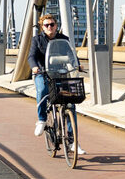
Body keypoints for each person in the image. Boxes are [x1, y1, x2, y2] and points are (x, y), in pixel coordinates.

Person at [29, 14, 84, 155]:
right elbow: (32, 56)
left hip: (60, 73)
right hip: (42, 72)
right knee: (42, 90)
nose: (50, 27)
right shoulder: (37, 40)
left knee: (70, 105)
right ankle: (42, 120)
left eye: (52, 24)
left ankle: (72, 142)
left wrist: (77, 64)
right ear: (42, 27)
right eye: (46, 25)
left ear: (56, 25)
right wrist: (34, 67)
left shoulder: (63, 39)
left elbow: (71, 54)